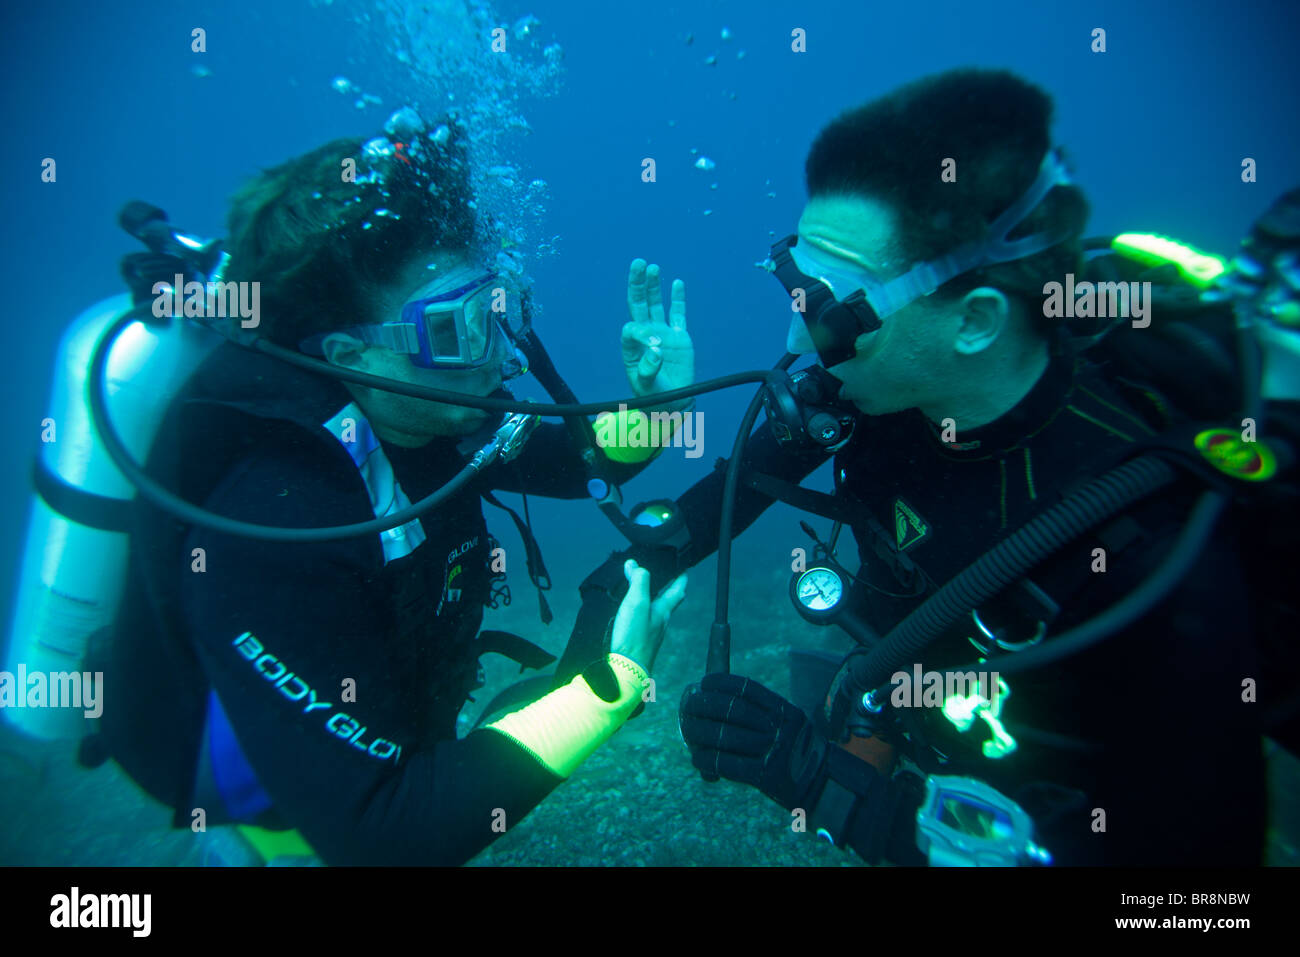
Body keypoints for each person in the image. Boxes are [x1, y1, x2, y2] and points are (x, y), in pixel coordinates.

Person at [573, 69, 1297, 866]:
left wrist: (832, 791)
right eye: (795, 285)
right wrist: (630, 570)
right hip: (916, 695)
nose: (796, 344)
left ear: (976, 322)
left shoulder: (1149, 547)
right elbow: (740, 482)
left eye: (831, 310)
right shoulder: (867, 384)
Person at [81, 110, 689, 865]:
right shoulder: (273, 516)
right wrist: (611, 685)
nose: (500, 355)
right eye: (465, 327)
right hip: (276, 784)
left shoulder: (435, 408)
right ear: (349, 354)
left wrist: (661, 412)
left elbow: (580, 459)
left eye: (498, 308)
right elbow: (384, 832)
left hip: (388, 715)